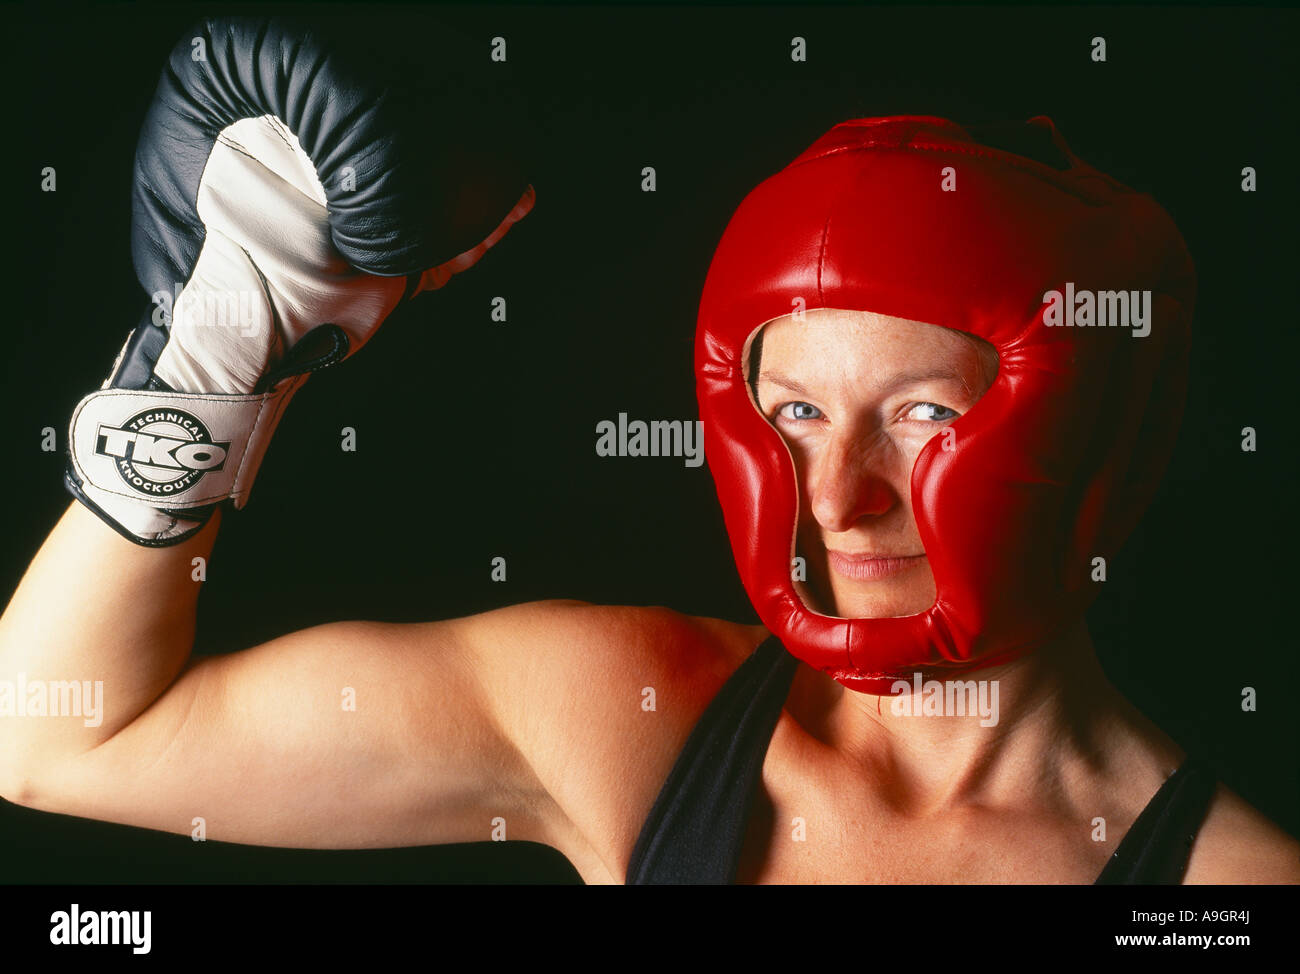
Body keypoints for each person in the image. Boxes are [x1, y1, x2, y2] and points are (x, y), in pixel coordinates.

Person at [2, 21, 1296, 885]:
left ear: (1096, 423)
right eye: (794, 411)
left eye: (922, 413)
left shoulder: (1228, 886)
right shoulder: (637, 711)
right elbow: (58, 737)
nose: (838, 497)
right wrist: (218, 353)